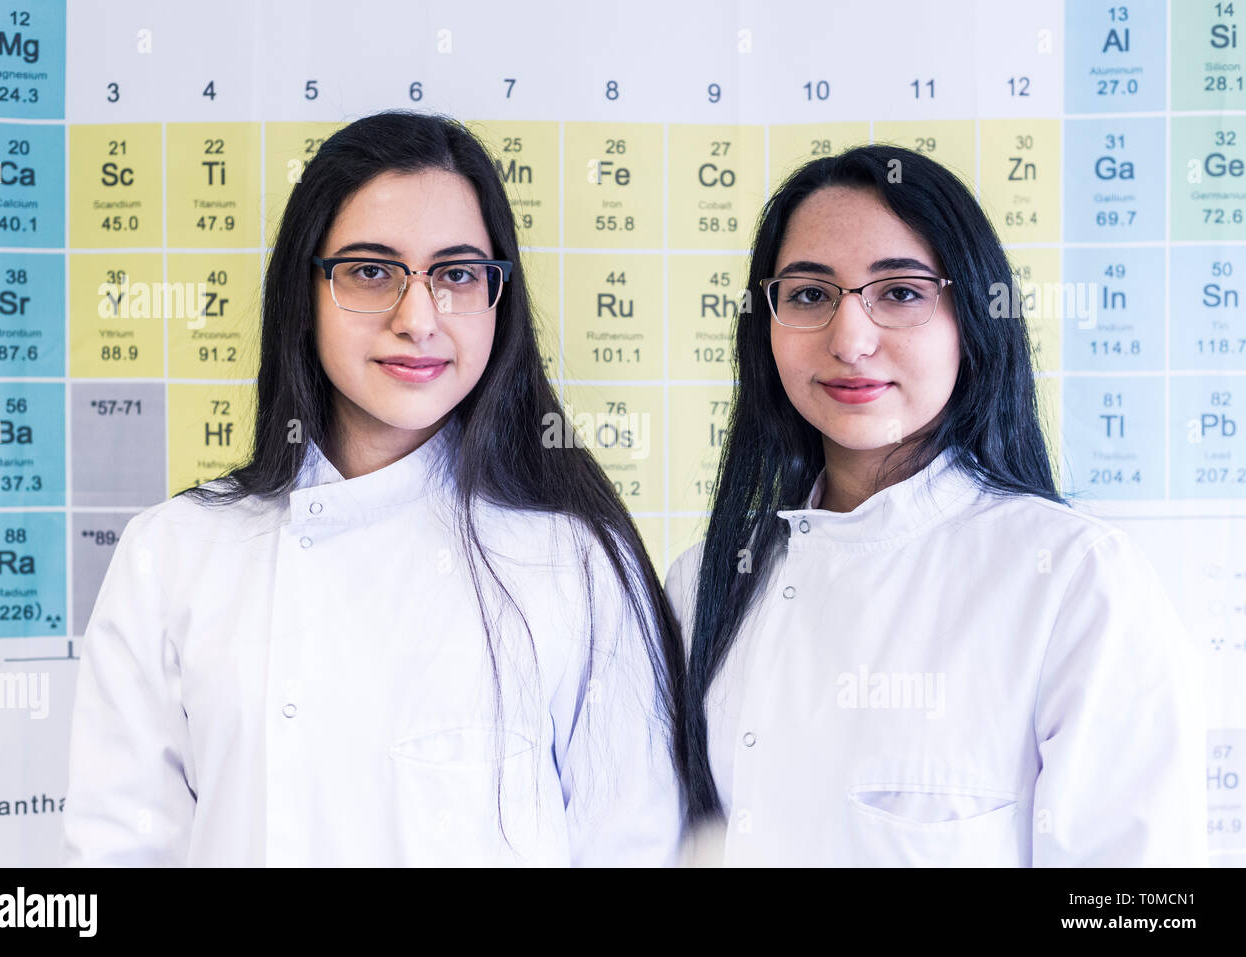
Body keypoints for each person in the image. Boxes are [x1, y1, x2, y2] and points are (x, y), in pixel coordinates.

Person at [63, 111, 686, 866]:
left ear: (499, 297)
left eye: (456, 274)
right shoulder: (173, 554)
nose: (417, 318)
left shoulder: (578, 564)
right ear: (307, 289)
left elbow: (631, 850)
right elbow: (118, 853)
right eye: (370, 271)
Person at [666, 144, 1207, 867]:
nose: (850, 340)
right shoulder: (702, 583)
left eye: (900, 292)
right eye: (808, 294)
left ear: (972, 320)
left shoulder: (1076, 581)